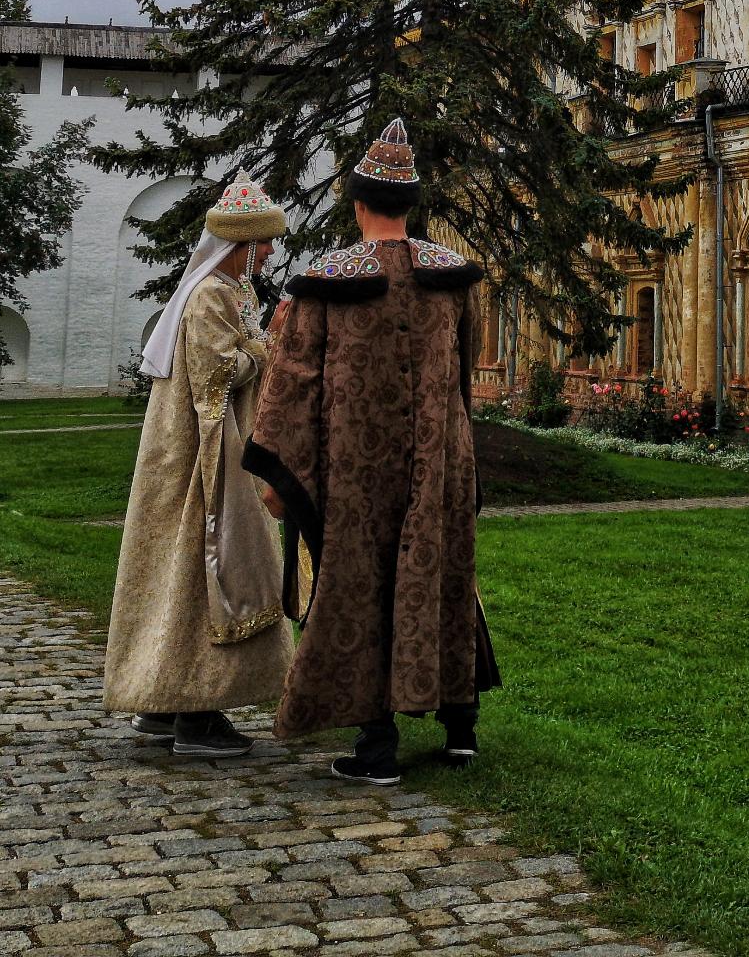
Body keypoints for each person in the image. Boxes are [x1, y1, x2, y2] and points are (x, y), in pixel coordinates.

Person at [244, 119, 500, 786]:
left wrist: (280, 470)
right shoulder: (451, 277)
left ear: (358, 203)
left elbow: (293, 380)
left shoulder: (326, 281)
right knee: (441, 578)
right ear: (411, 205)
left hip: (354, 469)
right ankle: (460, 726)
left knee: (359, 593)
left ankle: (377, 746)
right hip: (439, 458)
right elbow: (465, 375)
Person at [103, 174, 293, 758]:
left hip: (217, 441)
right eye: (263, 244)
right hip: (203, 453)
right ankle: (195, 713)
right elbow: (211, 379)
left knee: (181, 572)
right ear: (242, 245)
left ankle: (163, 703)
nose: (268, 254)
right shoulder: (210, 293)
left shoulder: (238, 293)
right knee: (205, 566)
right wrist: (269, 347)